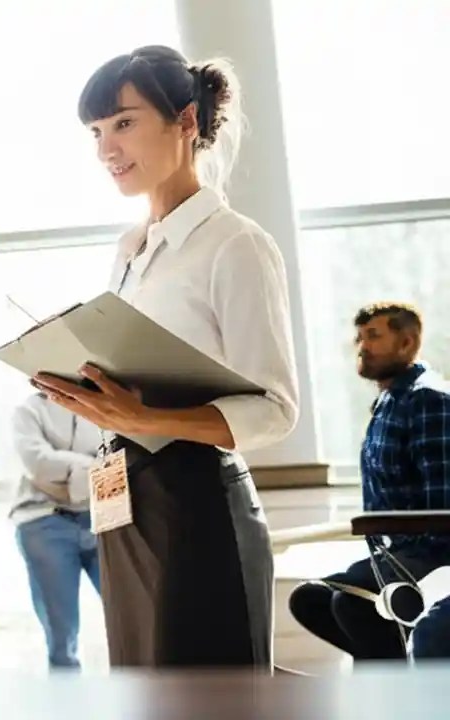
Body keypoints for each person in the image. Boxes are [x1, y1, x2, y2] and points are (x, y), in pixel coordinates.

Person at [32, 46, 299, 670]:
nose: (106, 149)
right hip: (125, 501)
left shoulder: (235, 244)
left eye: (123, 123)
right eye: (96, 132)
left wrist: (144, 417)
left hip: (197, 505)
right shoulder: (130, 251)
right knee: (144, 691)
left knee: (208, 699)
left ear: (185, 122)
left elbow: (275, 409)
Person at [288, 303, 450, 660]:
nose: (362, 346)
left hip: (432, 553)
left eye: (374, 336)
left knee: (354, 604)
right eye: (360, 337)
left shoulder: (428, 400)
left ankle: (394, 696)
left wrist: (405, 565)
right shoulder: (388, 402)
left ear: (407, 342)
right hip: (393, 552)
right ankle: (389, 678)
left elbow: (443, 505)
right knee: (310, 599)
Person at [10, 392, 102, 669]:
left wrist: (64, 476)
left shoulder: (101, 406)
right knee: (62, 640)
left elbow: (120, 460)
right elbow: (38, 463)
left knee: (134, 621)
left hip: (102, 518)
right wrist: (92, 469)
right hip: (45, 523)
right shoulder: (29, 410)